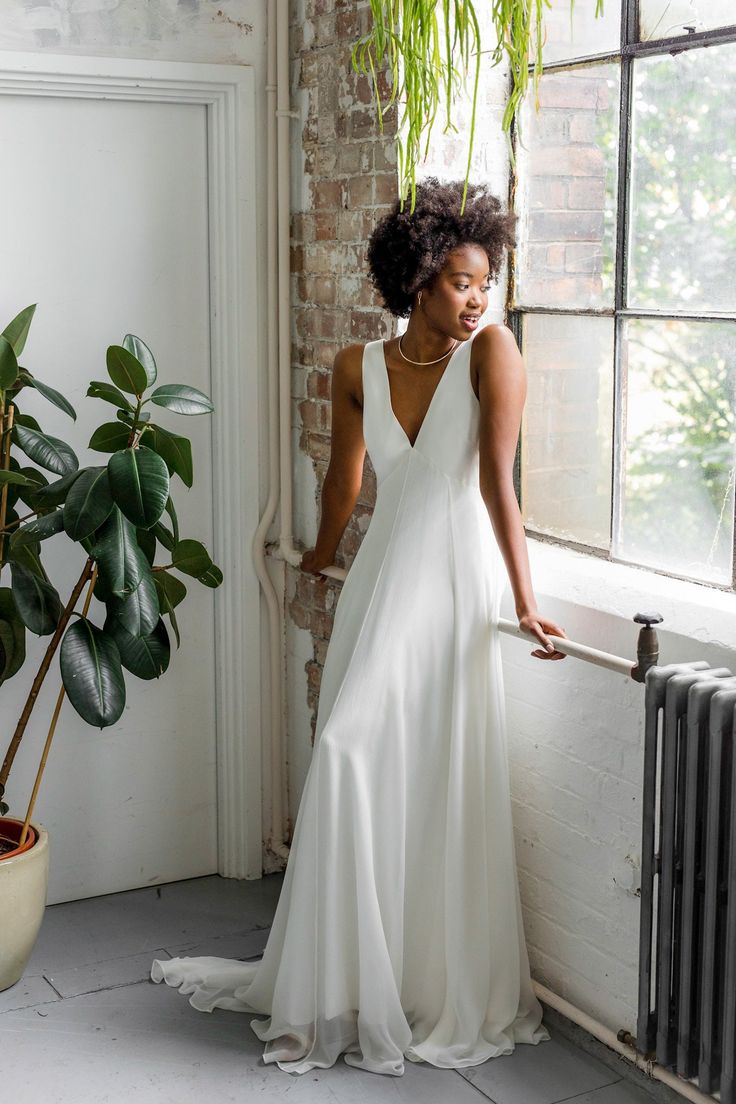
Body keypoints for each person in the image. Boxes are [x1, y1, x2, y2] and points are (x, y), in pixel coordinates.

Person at [151, 176, 568, 1077]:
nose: (477, 298)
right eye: (461, 281)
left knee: (362, 756)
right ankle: (343, 978)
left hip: (452, 579)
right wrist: (318, 555)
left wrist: (525, 598)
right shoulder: (355, 366)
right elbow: (345, 483)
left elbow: (501, 485)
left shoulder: (494, 354)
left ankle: (418, 982)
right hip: (380, 577)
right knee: (359, 759)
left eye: (485, 282)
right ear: (417, 278)